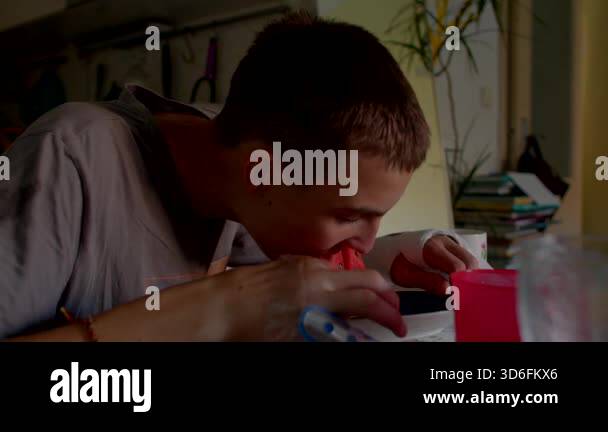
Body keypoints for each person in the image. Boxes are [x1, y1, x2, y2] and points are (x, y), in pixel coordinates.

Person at [0, 12, 479, 341]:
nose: (365, 237)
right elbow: (253, 290)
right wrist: (221, 309)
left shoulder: (237, 162)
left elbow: (285, 255)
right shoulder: (72, 161)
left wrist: (394, 254)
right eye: (351, 214)